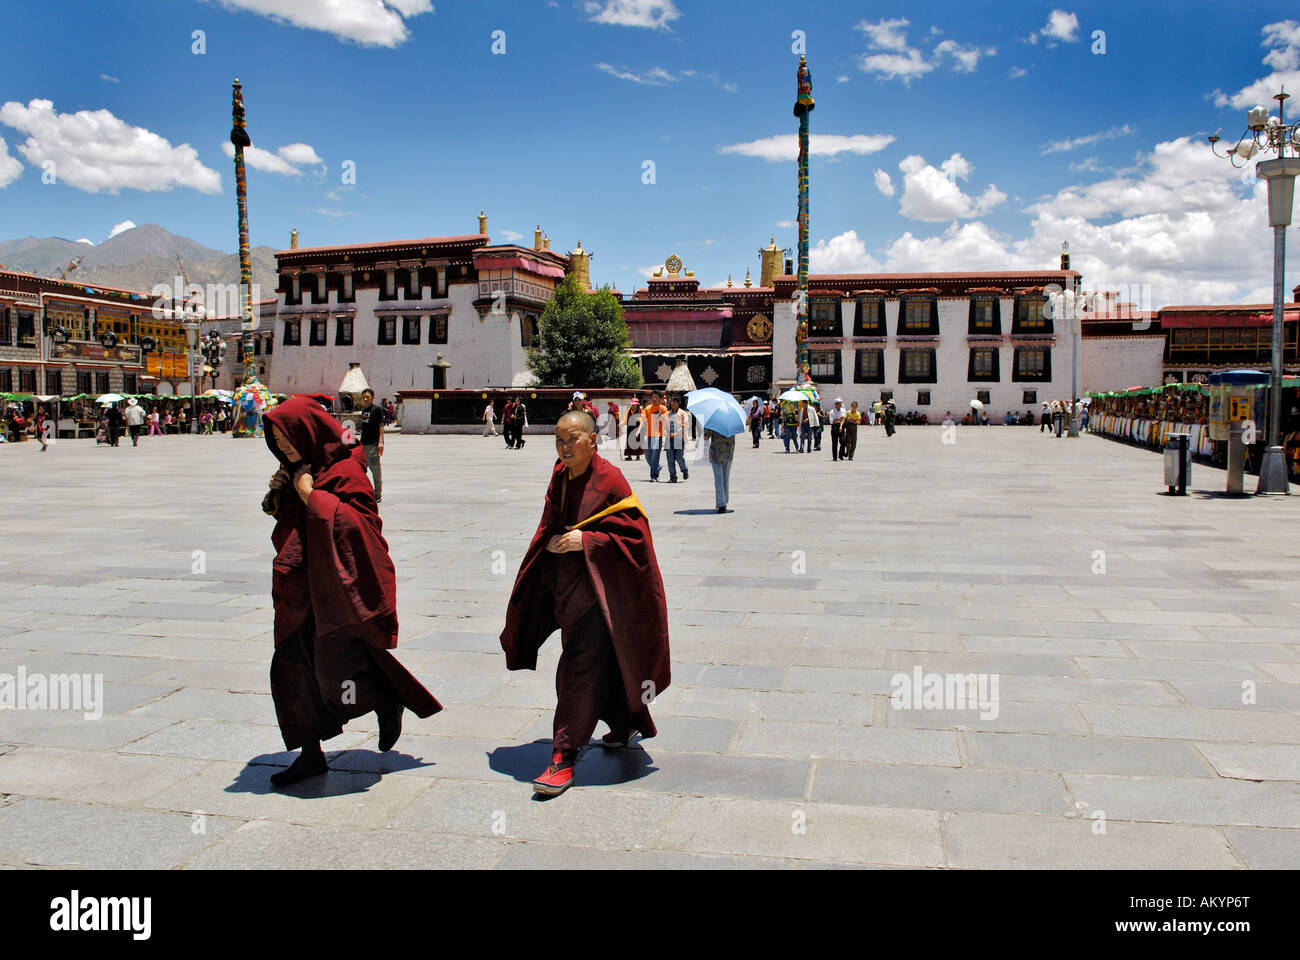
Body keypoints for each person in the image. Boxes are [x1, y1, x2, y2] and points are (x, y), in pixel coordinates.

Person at [261, 397, 441, 788]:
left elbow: (361, 526)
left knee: (335, 676)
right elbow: (292, 527)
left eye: (288, 439)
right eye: (277, 441)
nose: (285, 448)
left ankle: (384, 699)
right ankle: (310, 755)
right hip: (300, 591)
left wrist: (311, 496)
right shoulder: (298, 468)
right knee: (291, 670)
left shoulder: (344, 470)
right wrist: (281, 495)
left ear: (308, 431)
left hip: (336, 591)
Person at [500, 410, 671, 796]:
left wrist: (589, 542)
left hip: (601, 591)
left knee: (579, 667)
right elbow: (550, 524)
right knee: (609, 656)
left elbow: (636, 540)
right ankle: (628, 721)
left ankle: (563, 753)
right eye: (559, 439)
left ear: (593, 440)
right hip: (568, 587)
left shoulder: (609, 480)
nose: (564, 447)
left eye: (573, 439)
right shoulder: (560, 477)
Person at [357, 388, 385, 503]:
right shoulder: (364, 411)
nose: (365, 399)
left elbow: (381, 426)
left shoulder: (377, 409)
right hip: (363, 444)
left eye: (367, 397)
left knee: (375, 470)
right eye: (364, 397)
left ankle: (377, 494)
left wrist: (380, 441)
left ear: (373, 397)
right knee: (361, 469)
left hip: (373, 445)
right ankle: (365, 492)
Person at [706, 427, 735, 513]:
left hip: (716, 453)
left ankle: (721, 504)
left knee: (719, 479)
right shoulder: (731, 421)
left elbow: (705, 436)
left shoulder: (712, 423)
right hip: (728, 452)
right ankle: (723, 501)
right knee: (725, 478)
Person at [642, 391, 667, 481]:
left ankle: (653, 476)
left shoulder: (663, 408)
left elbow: (665, 421)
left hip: (658, 435)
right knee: (648, 456)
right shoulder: (647, 408)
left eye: (656, 397)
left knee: (655, 455)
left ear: (660, 399)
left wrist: (660, 417)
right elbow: (644, 419)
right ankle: (658, 467)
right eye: (653, 397)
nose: (654, 399)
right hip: (649, 435)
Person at [665, 395, 689, 482]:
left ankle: (684, 470)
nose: (672, 403)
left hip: (679, 439)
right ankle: (673, 477)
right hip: (669, 438)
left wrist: (676, 433)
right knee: (670, 458)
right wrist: (667, 434)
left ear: (679, 403)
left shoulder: (683, 413)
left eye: (675, 402)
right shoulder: (668, 414)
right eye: (672, 402)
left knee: (679, 457)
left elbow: (685, 425)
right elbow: (664, 426)